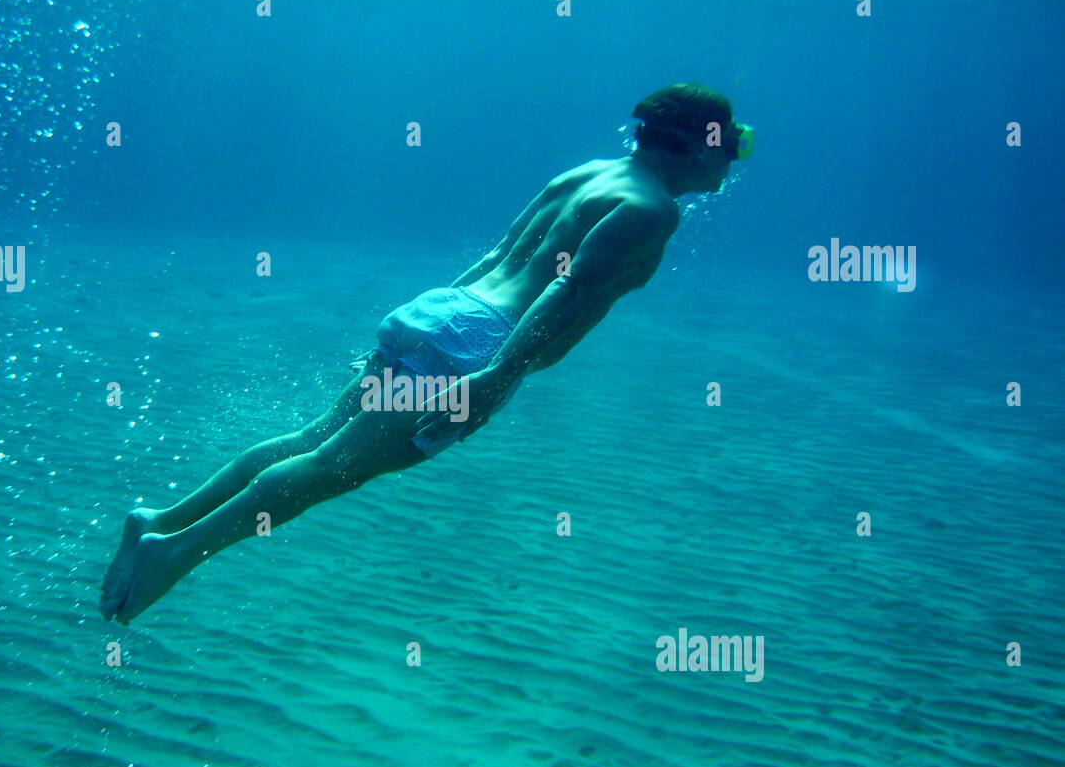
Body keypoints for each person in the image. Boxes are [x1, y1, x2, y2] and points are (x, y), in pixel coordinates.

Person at [100, 83, 753, 624]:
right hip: (475, 346)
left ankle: (159, 519)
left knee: (315, 436)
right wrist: (494, 380)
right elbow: (568, 288)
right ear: (702, 143)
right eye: (734, 141)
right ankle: (175, 551)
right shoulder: (656, 209)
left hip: (442, 313)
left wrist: (425, 335)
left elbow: (500, 255)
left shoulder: (587, 172)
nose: (736, 158)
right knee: (333, 465)